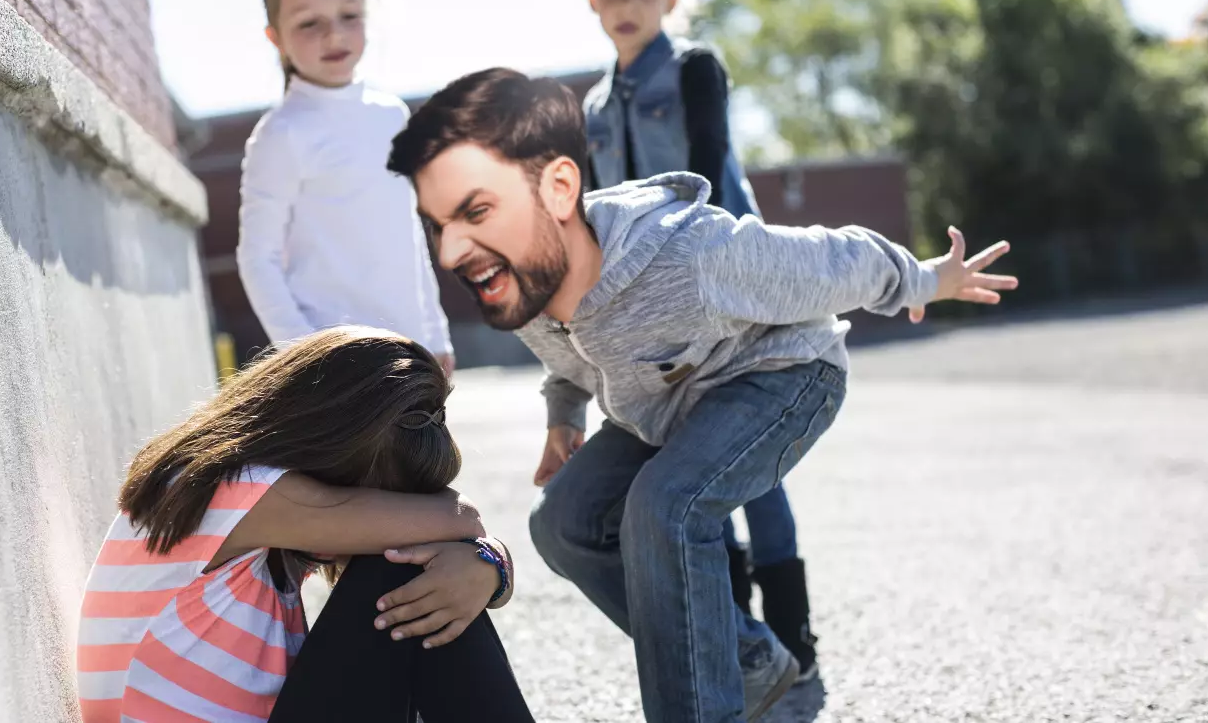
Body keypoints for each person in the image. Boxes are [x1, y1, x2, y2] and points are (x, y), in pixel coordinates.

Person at [387, 68, 1017, 722]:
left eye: (478, 212)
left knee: (667, 506)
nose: (456, 249)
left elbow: (834, 260)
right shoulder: (522, 287)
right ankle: (745, 659)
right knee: (563, 524)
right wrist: (562, 417)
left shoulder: (689, 253)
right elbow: (567, 363)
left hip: (781, 376)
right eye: (438, 226)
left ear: (559, 189)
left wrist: (923, 279)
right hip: (666, 407)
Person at [75, 327, 535, 722]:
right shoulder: (235, 488)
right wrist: (484, 555)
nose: (380, 515)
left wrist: (487, 564)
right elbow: (462, 519)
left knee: (425, 578)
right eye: (377, 496)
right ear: (331, 447)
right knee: (402, 568)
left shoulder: (256, 510)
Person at [579, 0, 814, 672]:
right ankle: (744, 643)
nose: (628, 2)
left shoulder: (694, 70)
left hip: (729, 288)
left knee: (753, 467)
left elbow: (710, 169)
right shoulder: (590, 105)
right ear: (592, 0)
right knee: (693, 466)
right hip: (652, 314)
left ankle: (793, 636)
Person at [237, 0, 454, 375]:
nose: (333, 35)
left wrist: (436, 334)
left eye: (349, 16)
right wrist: (306, 355)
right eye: (308, 23)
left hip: (411, 352)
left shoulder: (391, 114)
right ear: (275, 37)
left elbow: (408, 235)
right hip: (337, 366)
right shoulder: (282, 134)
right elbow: (256, 258)